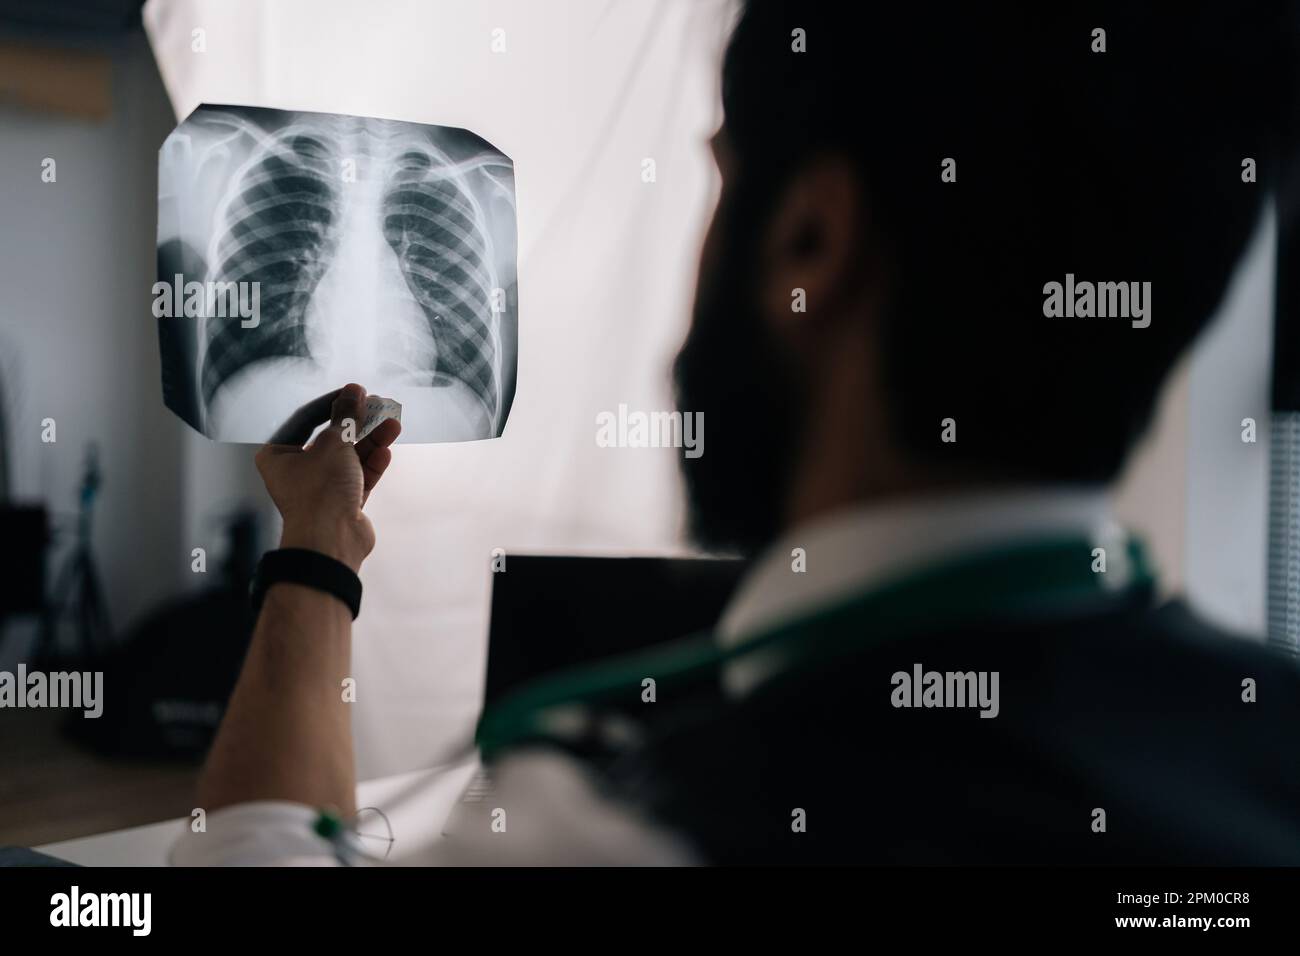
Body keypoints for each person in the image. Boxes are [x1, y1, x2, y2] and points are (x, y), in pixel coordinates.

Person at [173, 2, 1300, 865]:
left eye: (717, 178)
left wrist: (315, 547)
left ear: (810, 240)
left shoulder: (610, 821)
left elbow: (258, 856)